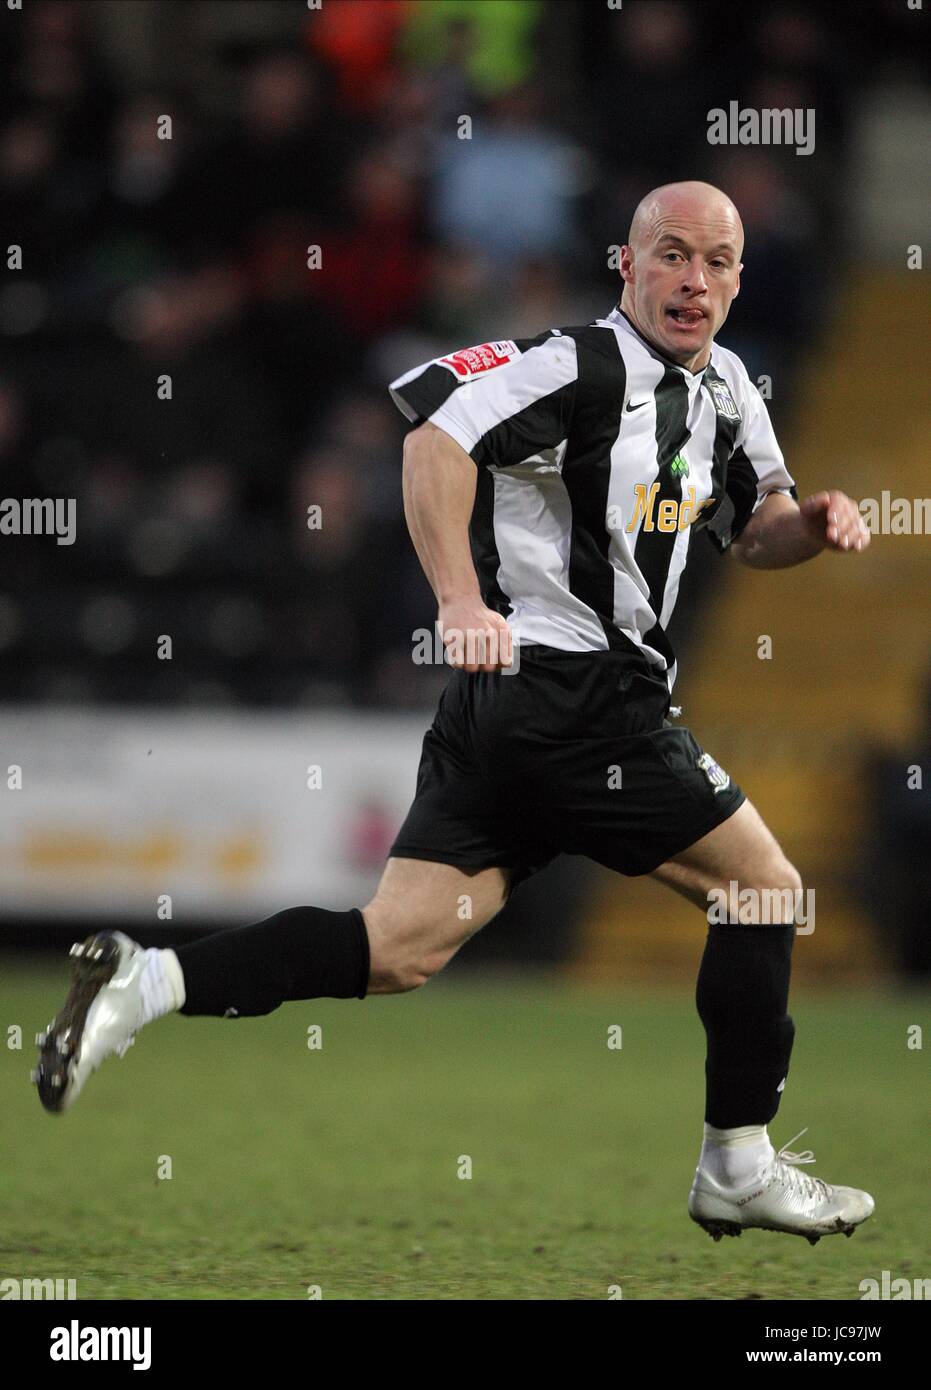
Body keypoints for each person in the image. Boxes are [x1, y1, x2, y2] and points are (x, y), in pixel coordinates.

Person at [35, 181, 873, 1244]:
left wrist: (813, 520)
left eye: (715, 262)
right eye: (670, 255)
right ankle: (737, 1164)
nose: (692, 280)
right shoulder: (575, 364)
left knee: (397, 948)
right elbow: (433, 441)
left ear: (740, 279)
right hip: (580, 695)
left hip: (509, 716)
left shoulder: (732, 396)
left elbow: (754, 527)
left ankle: (144, 980)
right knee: (762, 891)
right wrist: (458, 598)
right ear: (625, 264)